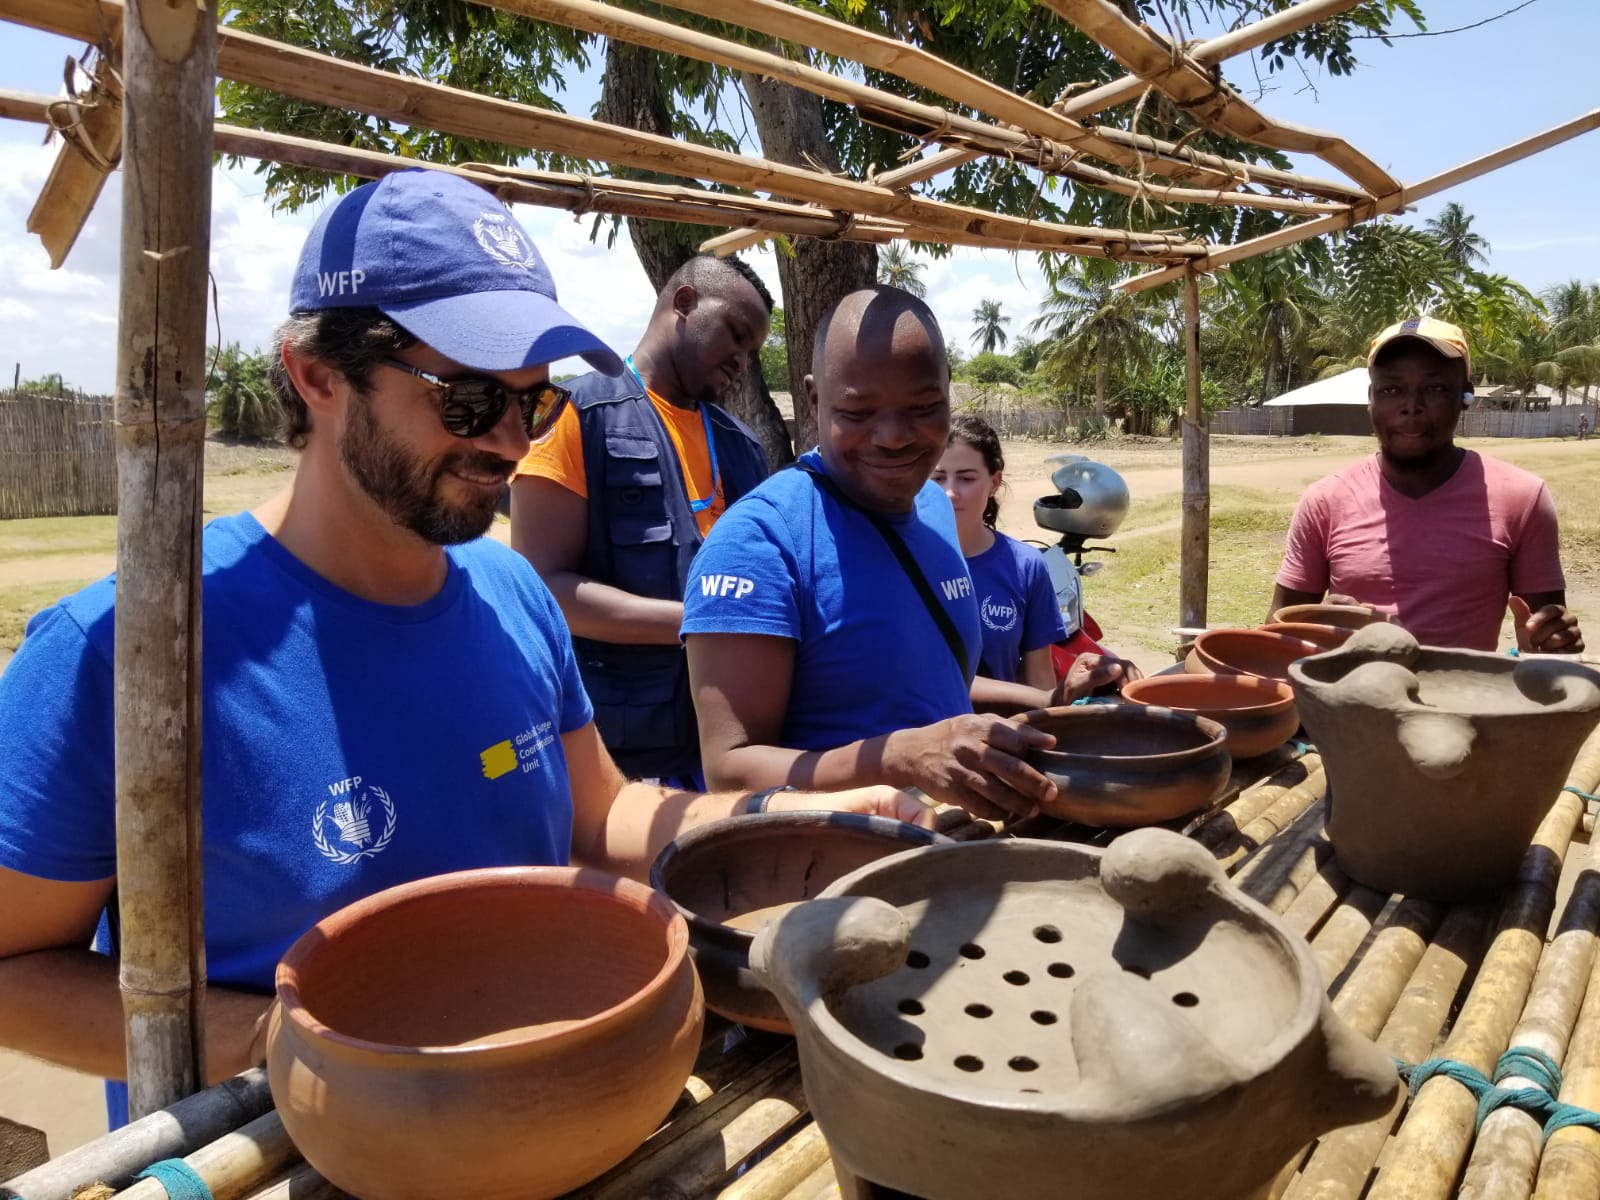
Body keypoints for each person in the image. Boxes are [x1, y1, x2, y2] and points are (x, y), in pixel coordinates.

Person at [0, 171, 925, 1114]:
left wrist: (825, 821)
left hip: (546, 1116)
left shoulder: (512, 592)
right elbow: (11, 968)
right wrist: (288, 1048)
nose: (512, 443)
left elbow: (603, 820)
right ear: (317, 375)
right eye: (472, 398)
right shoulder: (123, 653)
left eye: (538, 402)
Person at [680, 286, 1122, 822]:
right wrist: (904, 756)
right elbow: (730, 769)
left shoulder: (934, 507)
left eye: (922, 408)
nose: (892, 437)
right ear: (814, 400)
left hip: (955, 846)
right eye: (858, 411)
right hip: (841, 874)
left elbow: (933, 684)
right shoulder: (759, 542)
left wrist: (1050, 702)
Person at [509, 256, 773, 785]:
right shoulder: (577, 414)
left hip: (727, 742)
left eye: (752, 352)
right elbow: (543, 588)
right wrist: (700, 625)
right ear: (684, 303)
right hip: (614, 755)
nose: (742, 361)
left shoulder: (743, 448)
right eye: (736, 335)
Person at [1271, 316, 1583, 653]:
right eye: (1392, 390)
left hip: (1466, 702)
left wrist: (1550, 640)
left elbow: (1543, 635)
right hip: (1348, 699)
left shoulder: (1521, 499)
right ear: (1371, 399)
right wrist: (1315, 626)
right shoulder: (1326, 501)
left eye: (1434, 388)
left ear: (1465, 396)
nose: (1411, 407)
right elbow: (1273, 635)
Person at [931, 414, 1065, 689]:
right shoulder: (899, 563)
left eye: (966, 478)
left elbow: (1039, 680)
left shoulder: (1027, 567)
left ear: (994, 482)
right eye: (937, 477)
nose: (950, 492)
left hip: (1003, 730)